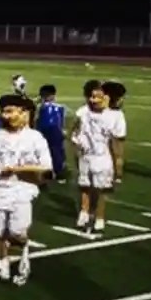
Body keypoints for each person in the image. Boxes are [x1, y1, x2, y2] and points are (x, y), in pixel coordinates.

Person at [0, 94, 52, 285]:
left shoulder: (35, 138)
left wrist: (17, 169)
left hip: (21, 188)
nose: (8, 116)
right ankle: (2, 259)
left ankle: (23, 254)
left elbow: (46, 166)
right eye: (5, 111)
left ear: (24, 113)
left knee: (17, 232)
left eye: (12, 111)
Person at [71, 81, 120, 235]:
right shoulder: (82, 112)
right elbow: (73, 130)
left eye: (99, 96)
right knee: (84, 185)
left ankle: (99, 217)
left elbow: (116, 141)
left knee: (100, 189)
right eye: (92, 96)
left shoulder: (112, 115)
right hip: (85, 155)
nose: (95, 99)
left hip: (101, 156)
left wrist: (118, 163)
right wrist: (76, 143)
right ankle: (84, 213)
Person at [34, 85, 68, 183]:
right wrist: (62, 131)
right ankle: (59, 174)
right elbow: (60, 121)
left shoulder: (40, 107)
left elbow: (36, 120)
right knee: (57, 152)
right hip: (56, 131)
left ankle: (43, 174)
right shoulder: (60, 107)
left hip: (43, 131)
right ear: (53, 95)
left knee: (42, 152)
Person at [103, 81, 128, 185]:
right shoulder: (118, 114)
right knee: (118, 154)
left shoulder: (100, 111)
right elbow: (120, 134)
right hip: (115, 135)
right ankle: (118, 175)